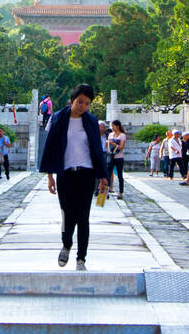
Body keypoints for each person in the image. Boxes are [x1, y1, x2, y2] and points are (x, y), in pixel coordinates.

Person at [40, 83, 108, 271]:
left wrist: (103, 177)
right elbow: (51, 148)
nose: (83, 106)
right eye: (80, 102)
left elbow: (97, 150)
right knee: (67, 214)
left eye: (87, 103)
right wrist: (50, 177)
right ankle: (66, 244)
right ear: (72, 100)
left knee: (83, 217)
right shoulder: (58, 119)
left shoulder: (91, 121)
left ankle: (81, 259)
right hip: (66, 173)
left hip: (87, 173)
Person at [107, 120, 126, 199]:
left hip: (119, 157)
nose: (112, 127)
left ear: (117, 126)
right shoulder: (110, 135)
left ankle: (120, 192)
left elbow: (121, 147)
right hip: (111, 156)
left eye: (113, 126)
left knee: (119, 175)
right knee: (108, 174)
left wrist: (113, 144)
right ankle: (106, 191)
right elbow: (108, 144)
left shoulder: (122, 135)